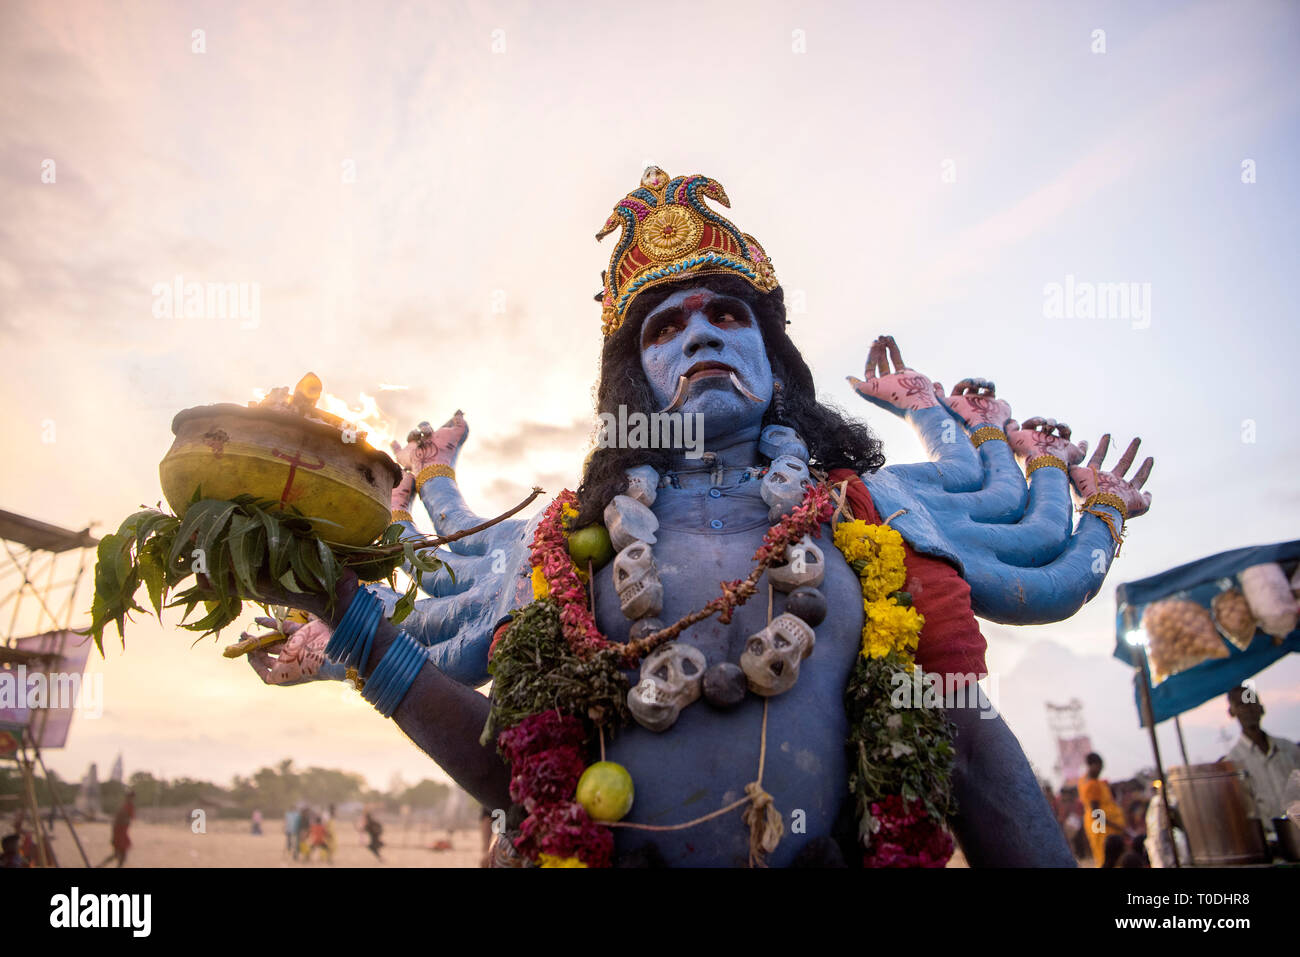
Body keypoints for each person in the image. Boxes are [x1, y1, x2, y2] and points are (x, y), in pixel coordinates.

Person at [239, 166, 1154, 868]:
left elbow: (971, 730)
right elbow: (519, 775)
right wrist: (351, 620)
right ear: (636, 381)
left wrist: (1083, 508)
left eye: (727, 312)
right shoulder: (565, 545)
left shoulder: (872, 518)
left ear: (772, 356)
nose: (703, 333)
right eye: (664, 327)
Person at [1224, 685, 1300, 839]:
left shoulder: (1289, 749)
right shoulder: (1232, 763)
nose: (1248, 709)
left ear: (1261, 708)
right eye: (1241, 705)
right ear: (1232, 712)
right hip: (1268, 844)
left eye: (1251, 703)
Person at [1078, 754, 1124, 869]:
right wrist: (1116, 826)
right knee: (1107, 856)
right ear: (1091, 765)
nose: (1100, 770)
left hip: (1101, 825)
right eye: (1099, 766)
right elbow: (1096, 814)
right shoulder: (1091, 785)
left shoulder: (1089, 781)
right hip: (1101, 827)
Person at [97, 788, 134, 868]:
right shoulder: (124, 808)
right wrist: (114, 836)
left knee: (121, 855)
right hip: (119, 833)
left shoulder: (129, 807)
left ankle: (101, 865)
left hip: (123, 833)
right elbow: (117, 822)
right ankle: (100, 865)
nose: (130, 798)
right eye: (129, 796)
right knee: (117, 854)